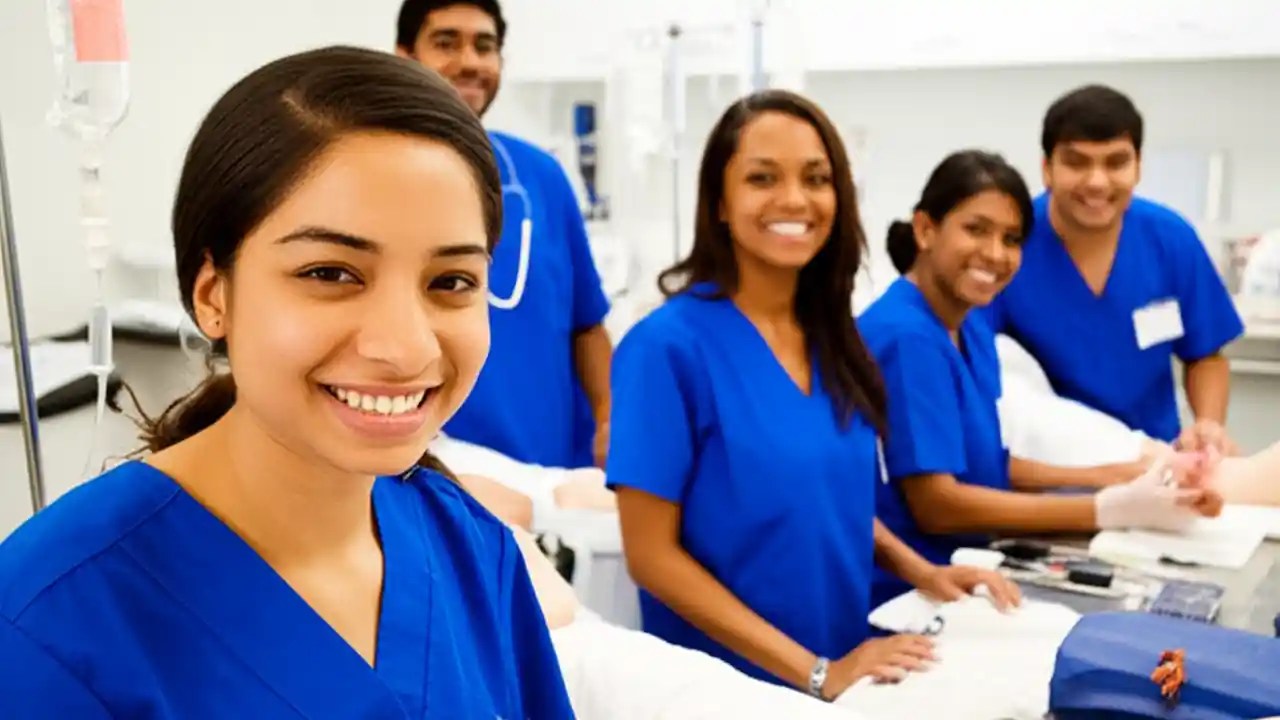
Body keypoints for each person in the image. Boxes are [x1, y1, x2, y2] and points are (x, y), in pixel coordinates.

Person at [0, 47, 574, 719]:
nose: (405, 347)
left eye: (451, 282)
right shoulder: (52, 622)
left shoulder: (473, 552)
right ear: (212, 293)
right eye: (330, 273)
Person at [606, 89, 1021, 703]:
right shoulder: (665, 349)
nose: (795, 199)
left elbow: (829, 499)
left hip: (836, 673)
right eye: (762, 178)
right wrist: (816, 671)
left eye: (817, 178)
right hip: (725, 691)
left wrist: (923, 573)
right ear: (720, 201)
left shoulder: (833, 341)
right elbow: (651, 558)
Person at [860, 150, 1225, 605]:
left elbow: (985, 461)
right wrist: (1108, 508)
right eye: (976, 229)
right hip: (913, 591)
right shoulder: (905, 336)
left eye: (1011, 238)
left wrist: (1124, 474)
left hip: (972, 563)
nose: (995, 253)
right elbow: (938, 504)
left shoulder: (967, 325)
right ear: (925, 229)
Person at [396, 0, 614, 468]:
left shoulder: (543, 177)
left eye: (485, 46)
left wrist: (610, 417)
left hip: (552, 475)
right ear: (405, 57)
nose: (470, 61)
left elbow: (587, 324)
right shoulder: (377, 177)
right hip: (430, 472)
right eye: (446, 42)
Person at [985, 84, 1246, 456]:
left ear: (1138, 166)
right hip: (1042, 470)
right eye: (1076, 162)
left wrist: (1208, 426)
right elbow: (974, 363)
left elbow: (1204, 354)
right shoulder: (1007, 245)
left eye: (1115, 162)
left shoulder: (1171, 240)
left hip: (1154, 462)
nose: (1096, 182)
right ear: (1047, 169)